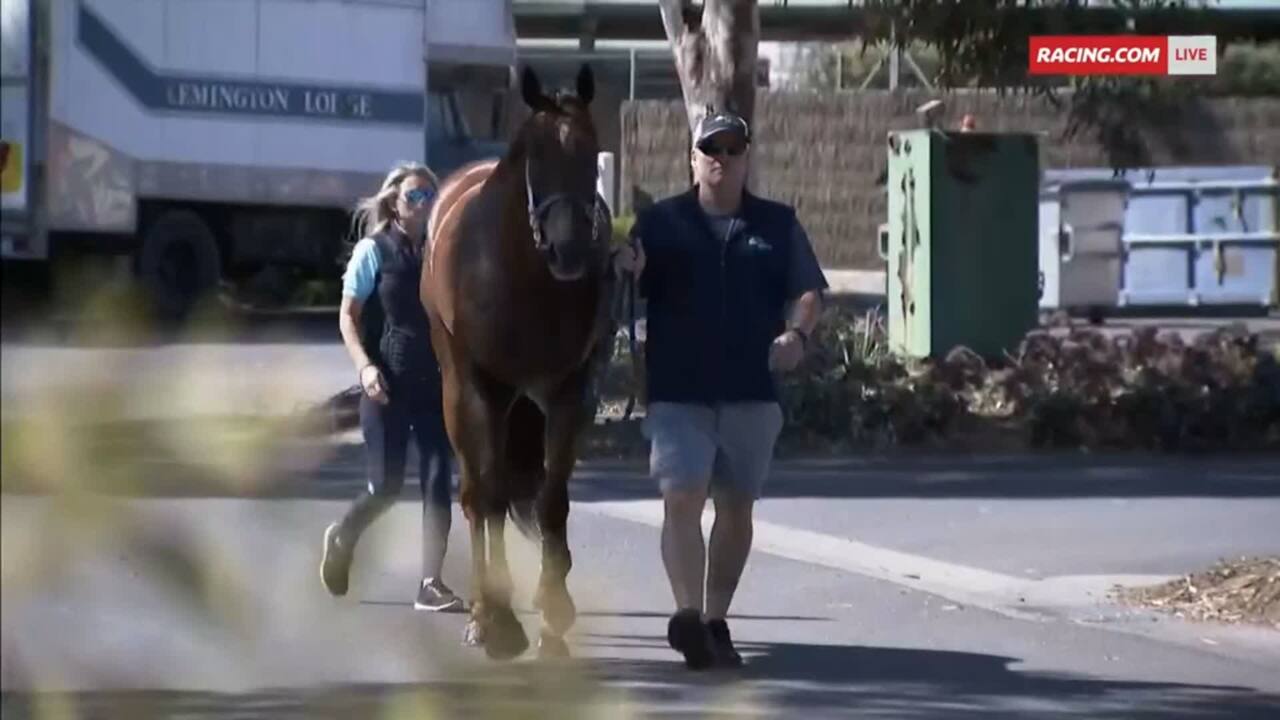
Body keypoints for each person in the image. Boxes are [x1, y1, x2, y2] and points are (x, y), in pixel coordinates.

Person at [613, 110, 828, 669]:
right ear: (693, 157)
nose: (721, 158)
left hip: (752, 391)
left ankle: (713, 620)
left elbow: (807, 291)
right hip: (678, 390)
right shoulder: (659, 223)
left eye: (733, 149)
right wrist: (628, 265)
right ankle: (687, 616)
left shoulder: (777, 225)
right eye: (711, 148)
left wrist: (797, 335)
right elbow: (629, 274)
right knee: (681, 496)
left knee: (735, 509)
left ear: (746, 158)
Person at [319, 161, 461, 612]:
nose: (422, 205)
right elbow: (348, 317)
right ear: (394, 204)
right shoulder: (374, 251)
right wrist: (364, 368)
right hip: (386, 386)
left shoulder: (442, 253)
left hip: (434, 386)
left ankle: (430, 583)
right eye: (414, 197)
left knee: (440, 479)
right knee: (387, 487)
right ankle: (343, 535)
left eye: (429, 197)